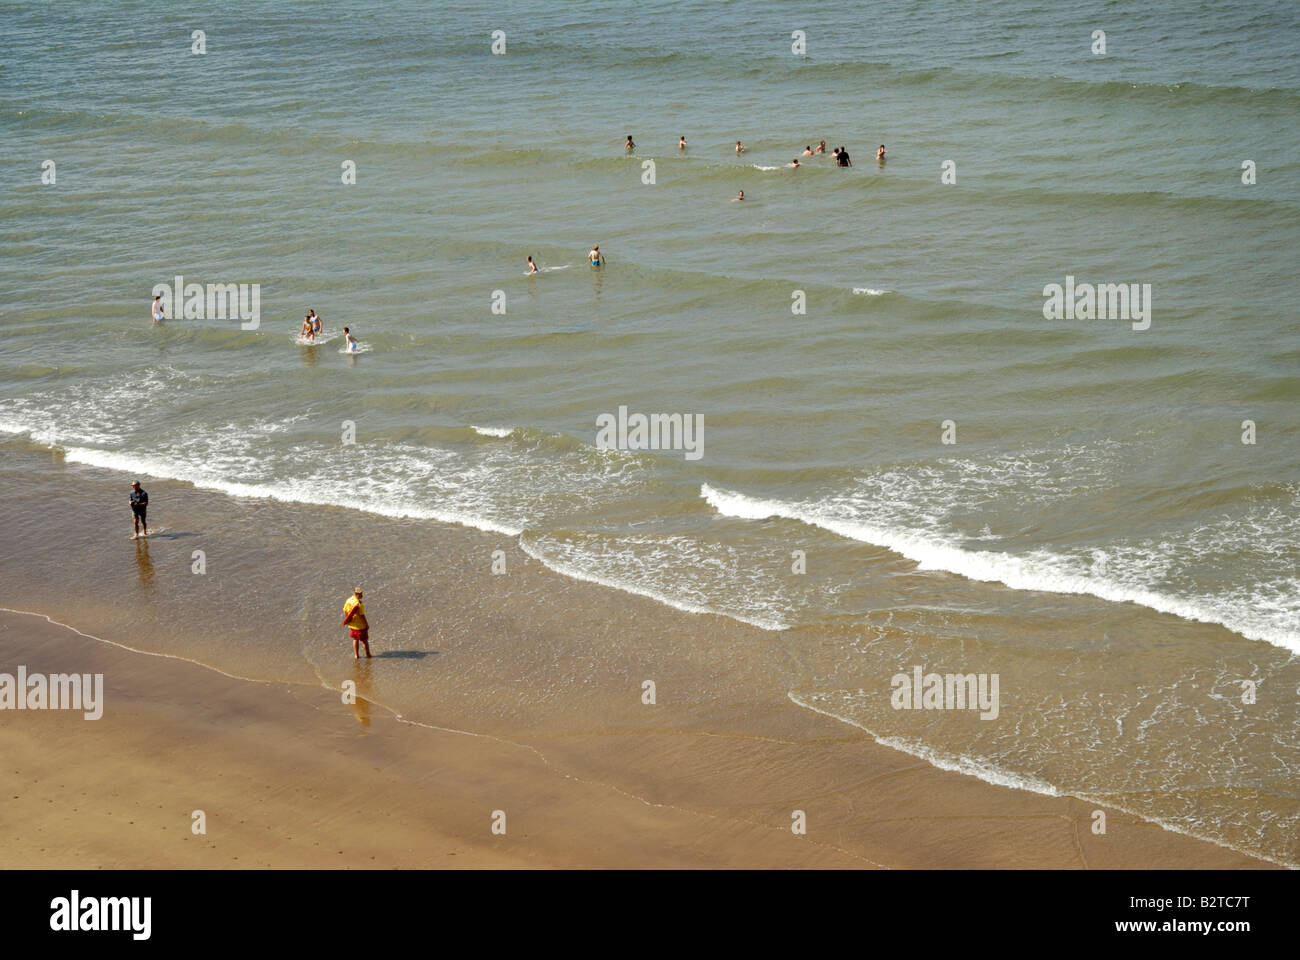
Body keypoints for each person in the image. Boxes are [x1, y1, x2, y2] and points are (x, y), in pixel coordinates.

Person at [342, 588, 371, 659]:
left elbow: (345, 610)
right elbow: (362, 615)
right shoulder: (359, 604)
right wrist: (366, 624)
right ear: (356, 594)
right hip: (360, 626)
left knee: (355, 639)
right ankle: (368, 654)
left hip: (352, 624)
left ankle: (356, 655)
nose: (362, 595)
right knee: (365, 641)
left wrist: (348, 620)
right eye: (360, 594)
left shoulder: (349, 600)